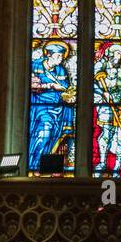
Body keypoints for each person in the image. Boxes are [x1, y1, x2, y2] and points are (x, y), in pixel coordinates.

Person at [28, 41, 76, 171]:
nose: (61, 58)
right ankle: (35, 165)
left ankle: (44, 167)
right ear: (49, 55)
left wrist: (68, 96)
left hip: (58, 108)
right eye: (58, 56)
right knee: (44, 133)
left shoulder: (61, 69)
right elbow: (28, 86)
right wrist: (50, 86)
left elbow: (65, 88)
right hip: (40, 108)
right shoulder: (35, 66)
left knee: (53, 137)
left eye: (62, 56)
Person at [93, 43, 121, 174]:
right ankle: (102, 162)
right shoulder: (101, 65)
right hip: (106, 104)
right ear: (111, 54)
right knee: (106, 134)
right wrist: (103, 93)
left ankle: (118, 167)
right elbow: (93, 82)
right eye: (119, 54)